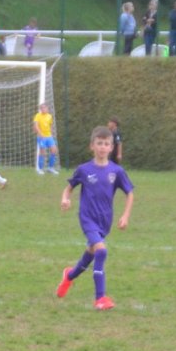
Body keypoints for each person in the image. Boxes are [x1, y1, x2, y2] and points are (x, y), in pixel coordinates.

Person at [56, 126, 135, 311]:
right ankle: (100, 298)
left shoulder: (117, 171)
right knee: (101, 251)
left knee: (91, 254)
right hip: (87, 218)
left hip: (104, 221)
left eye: (106, 144)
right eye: (99, 143)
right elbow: (69, 187)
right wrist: (65, 199)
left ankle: (69, 275)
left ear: (111, 148)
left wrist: (125, 215)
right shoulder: (84, 169)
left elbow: (130, 193)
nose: (102, 147)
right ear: (92, 146)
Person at [33, 103, 60, 175]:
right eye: (41, 108)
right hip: (41, 137)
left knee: (54, 150)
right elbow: (35, 126)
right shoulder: (37, 116)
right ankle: (40, 169)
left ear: (47, 109)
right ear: (40, 109)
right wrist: (40, 134)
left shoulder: (49, 116)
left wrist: (51, 133)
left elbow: (50, 125)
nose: (43, 109)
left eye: (44, 108)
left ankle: (50, 168)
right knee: (43, 152)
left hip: (49, 136)